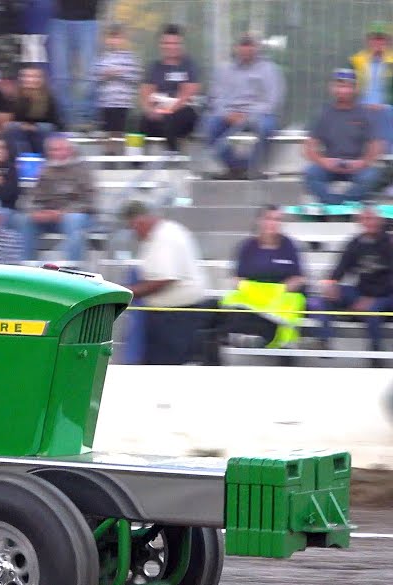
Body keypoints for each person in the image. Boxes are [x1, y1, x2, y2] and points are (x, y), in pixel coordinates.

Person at [119, 200, 211, 365]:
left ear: (139, 221)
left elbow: (164, 279)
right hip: (168, 314)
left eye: (132, 226)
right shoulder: (162, 233)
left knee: (165, 366)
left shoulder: (165, 238)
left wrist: (127, 293)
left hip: (176, 316)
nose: (133, 232)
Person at [308, 203, 393, 356]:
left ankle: (376, 355)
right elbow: (340, 268)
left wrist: (371, 299)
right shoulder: (356, 243)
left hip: (387, 295)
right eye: (365, 219)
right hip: (362, 293)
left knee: (372, 311)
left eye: (371, 218)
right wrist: (331, 284)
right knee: (323, 299)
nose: (369, 222)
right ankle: (324, 341)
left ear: (379, 220)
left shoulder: (389, 243)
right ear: (360, 221)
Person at [217, 205, 307, 350]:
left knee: (294, 302)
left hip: (281, 296)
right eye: (269, 219)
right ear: (260, 221)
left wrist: (276, 290)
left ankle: (279, 342)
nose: (273, 223)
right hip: (252, 296)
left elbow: (299, 278)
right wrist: (256, 290)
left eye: (277, 219)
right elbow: (236, 278)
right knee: (228, 301)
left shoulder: (289, 246)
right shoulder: (247, 247)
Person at [203, 34, 284, 179]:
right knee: (209, 126)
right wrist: (227, 114)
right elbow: (215, 98)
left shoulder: (269, 69)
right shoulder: (224, 70)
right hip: (229, 114)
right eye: (243, 45)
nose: (247, 49)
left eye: (251, 45)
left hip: (259, 115)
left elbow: (273, 100)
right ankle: (237, 167)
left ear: (257, 48)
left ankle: (253, 169)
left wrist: (248, 117)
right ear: (236, 48)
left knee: (265, 127)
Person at [303, 68, 385, 205]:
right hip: (330, 164)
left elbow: (377, 145)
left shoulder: (365, 113)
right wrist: (324, 161)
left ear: (355, 89)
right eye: (340, 85)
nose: (343, 90)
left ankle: (344, 203)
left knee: (372, 176)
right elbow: (309, 147)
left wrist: (363, 162)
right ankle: (333, 203)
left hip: (356, 165)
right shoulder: (324, 113)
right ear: (332, 88)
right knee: (311, 174)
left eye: (348, 86)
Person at [16, 134, 95, 262]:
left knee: (73, 220)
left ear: (70, 150)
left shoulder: (83, 170)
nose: (56, 153)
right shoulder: (45, 170)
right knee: (24, 220)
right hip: (50, 217)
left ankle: (73, 268)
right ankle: (26, 266)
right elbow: (32, 197)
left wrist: (63, 213)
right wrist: (36, 212)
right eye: (52, 150)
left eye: (59, 149)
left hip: (78, 216)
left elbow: (90, 201)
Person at [138, 24, 202, 153]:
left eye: (175, 43)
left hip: (184, 112)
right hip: (159, 112)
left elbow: (188, 93)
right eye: (166, 43)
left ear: (181, 45)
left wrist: (167, 110)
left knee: (171, 120)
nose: (170, 47)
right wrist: (149, 109)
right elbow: (146, 92)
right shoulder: (155, 67)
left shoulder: (188, 65)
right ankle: (136, 164)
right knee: (142, 122)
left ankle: (174, 158)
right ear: (160, 44)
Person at [48, 0, 104, 129]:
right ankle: (64, 119)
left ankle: (86, 118)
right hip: (59, 20)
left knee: (88, 74)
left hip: (88, 20)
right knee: (60, 76)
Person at [93, 24, 142, 151]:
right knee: (108, 131)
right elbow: (95, 76)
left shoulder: (130, 58)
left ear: (124, 39)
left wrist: (121, 73)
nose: (115, 41)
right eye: (112, 38)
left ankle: (127, 155)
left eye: (118, 38)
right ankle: (110, 155)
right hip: (107, 103)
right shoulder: (103, 58)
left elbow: (136, 77)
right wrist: (105, 75)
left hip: (123, 103)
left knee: (120, 131)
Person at [4, 65, 64, 157]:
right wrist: (24, 126)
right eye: (26, 76)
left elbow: (57, 124)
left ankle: (43, 158)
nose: (30, 79)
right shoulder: (16, 97)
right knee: (12, 127)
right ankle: (23, 159)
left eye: (34, 77)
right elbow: (12, 121)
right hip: (23, 133)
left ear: (41, 80)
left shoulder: (50, 98)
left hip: (44, 133)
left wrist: (33, 127)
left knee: (45, 129)